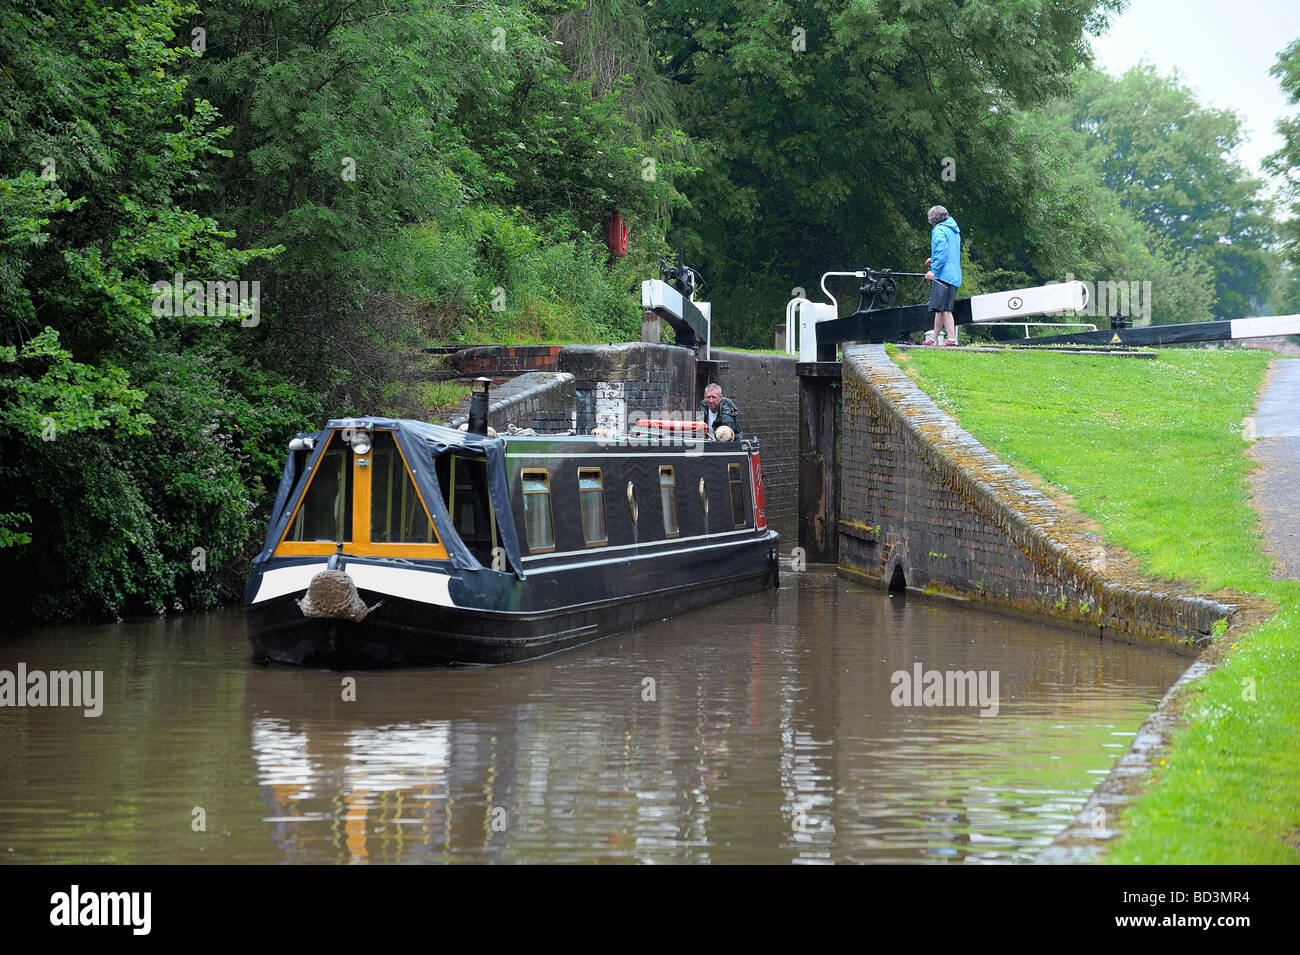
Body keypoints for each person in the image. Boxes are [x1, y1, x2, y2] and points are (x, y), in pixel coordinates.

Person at [924, 205, 962, 346]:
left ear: (933, 219)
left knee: (945, 308)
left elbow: (942, 251)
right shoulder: (954, 231)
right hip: (953, 274)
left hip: (943, 275)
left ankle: (952, 339)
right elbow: (949, 251)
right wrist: (932, 258)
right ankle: (934, 337)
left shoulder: (939, 230)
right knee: (939, 308)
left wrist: (933, 270)